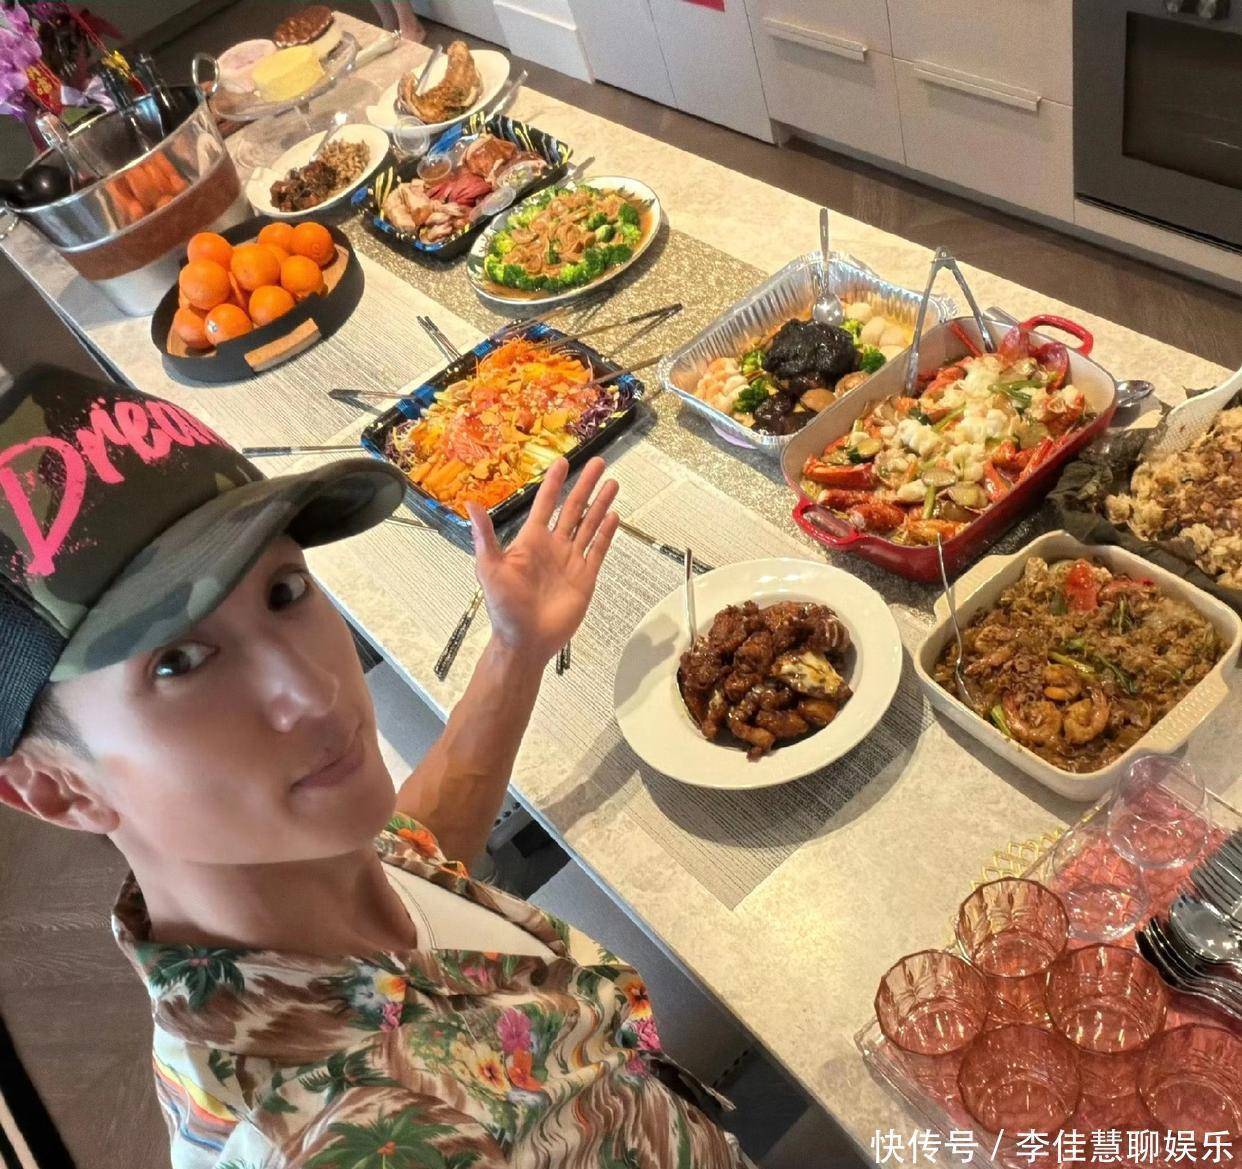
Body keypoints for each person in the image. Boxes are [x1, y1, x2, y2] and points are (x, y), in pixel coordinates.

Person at [0, 366, 745, 1169]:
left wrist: (517, 650)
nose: (314, 691)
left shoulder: (296, 870)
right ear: (56, 787)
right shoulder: (351, 1136)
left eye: (284, 591)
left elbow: (413, 850)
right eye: (177, 661)